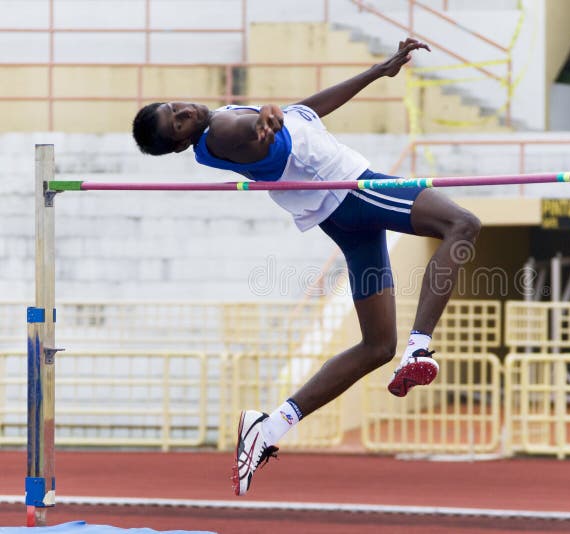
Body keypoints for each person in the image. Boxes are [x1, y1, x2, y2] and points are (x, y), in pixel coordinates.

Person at [131, 38, 481, 496]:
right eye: (177, 121)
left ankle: (269, 427)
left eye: (174, 107)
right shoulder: (221, 131)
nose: (183, 111)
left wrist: (377, 71)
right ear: (180, 143)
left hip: (341, 214)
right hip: (356, 192)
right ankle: (419, 348)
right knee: (462, 224)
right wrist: (266, 115)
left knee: (377, 345)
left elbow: (303, 113)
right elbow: (255, 124)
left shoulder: (217, 120)